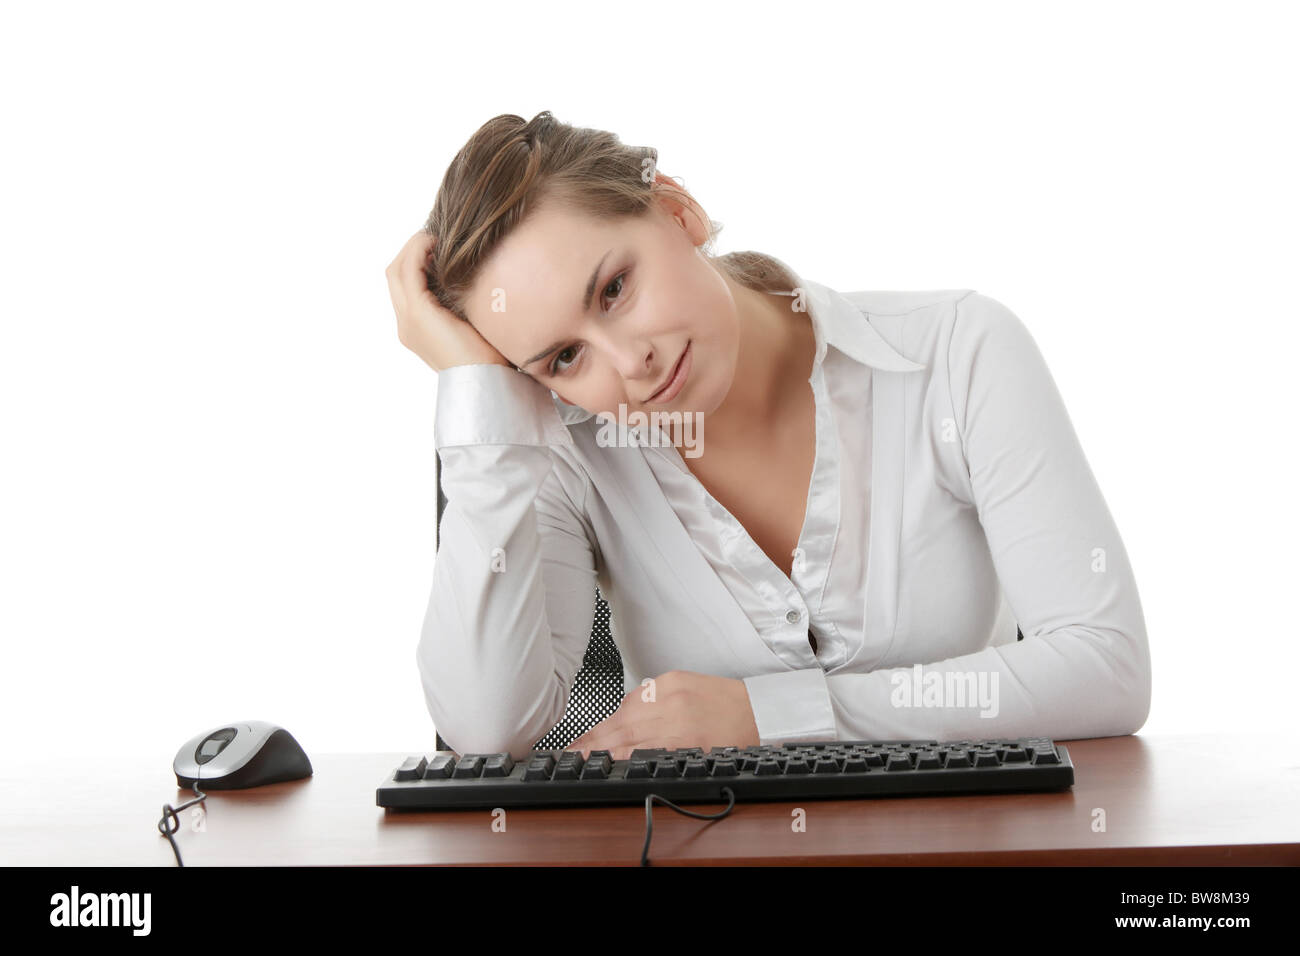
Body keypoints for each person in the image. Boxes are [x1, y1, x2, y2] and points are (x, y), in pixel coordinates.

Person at [384, 111, 1151, 761]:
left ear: (676, 210)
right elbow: (486, 736)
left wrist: (770, 717)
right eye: (564, 356)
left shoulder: (954, 353)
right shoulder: (564, 446)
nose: (630, 364)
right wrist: (478, 393)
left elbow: (1106, 666)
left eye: (615, 288)